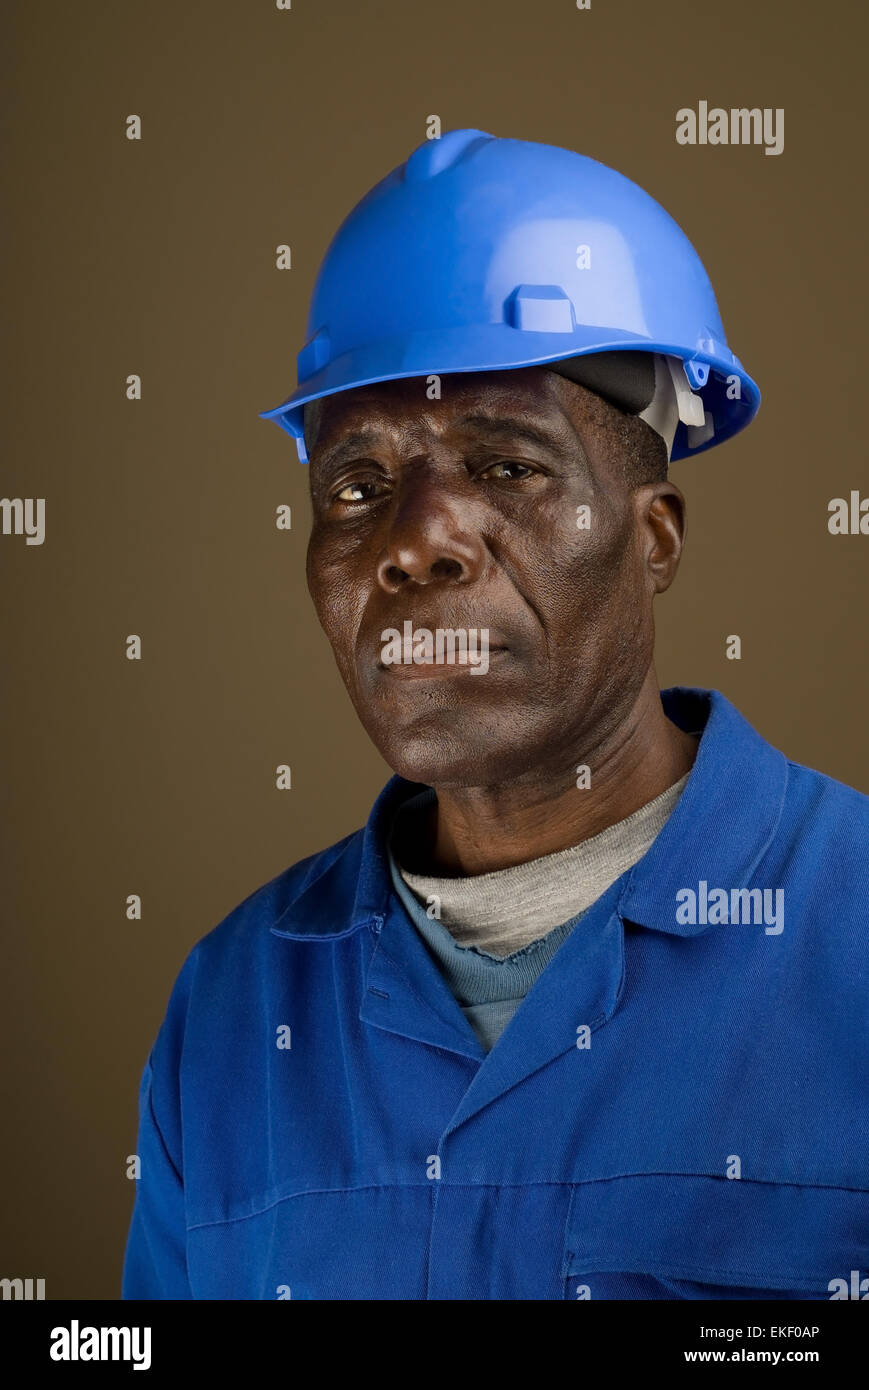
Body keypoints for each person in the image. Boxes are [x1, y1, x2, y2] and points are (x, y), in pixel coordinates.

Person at [123, 129, 869, 1300]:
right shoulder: (234, 1008)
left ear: (652, 537)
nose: (414, 540)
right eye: (356, 487)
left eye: (508, 466)